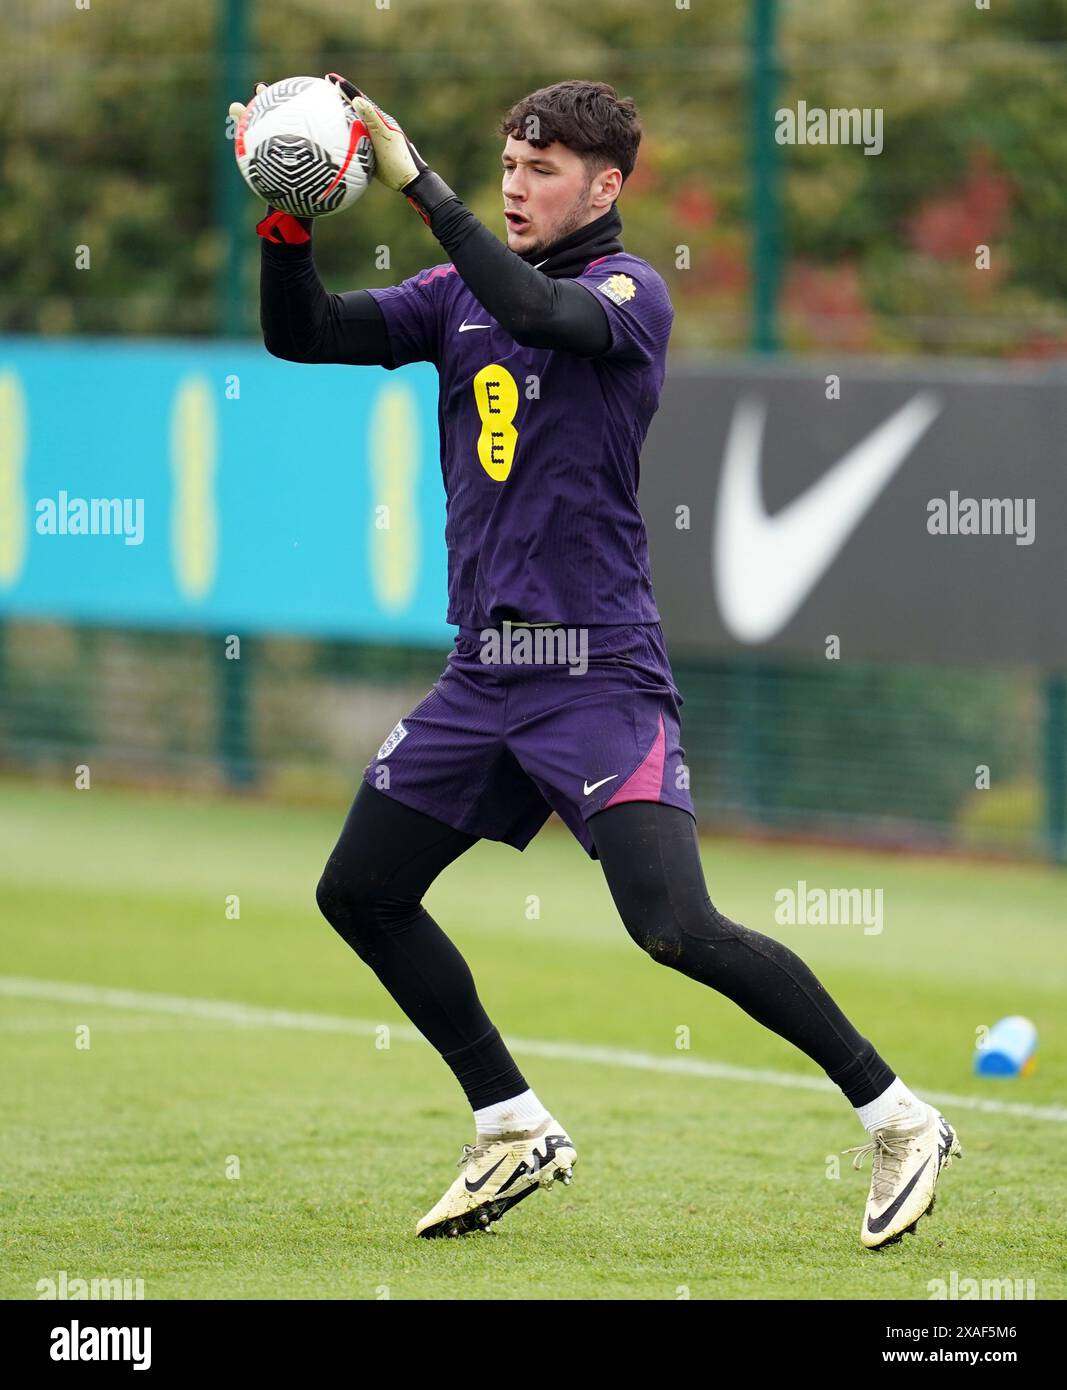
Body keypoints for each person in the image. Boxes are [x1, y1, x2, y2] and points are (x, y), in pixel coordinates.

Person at [229, 75, 961, 1245]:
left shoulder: (630, 292)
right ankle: (511, 1122)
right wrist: (284, 213)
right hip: (484, 677)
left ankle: (898, 1116)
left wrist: (421, 185)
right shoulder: (453, 296)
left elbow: (536, 313)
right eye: (508, 168)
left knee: (674, 925)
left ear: (605, 185)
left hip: (597, 674)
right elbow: (299, 332)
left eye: (543, 170)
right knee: (358, 892)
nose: (516, 188)